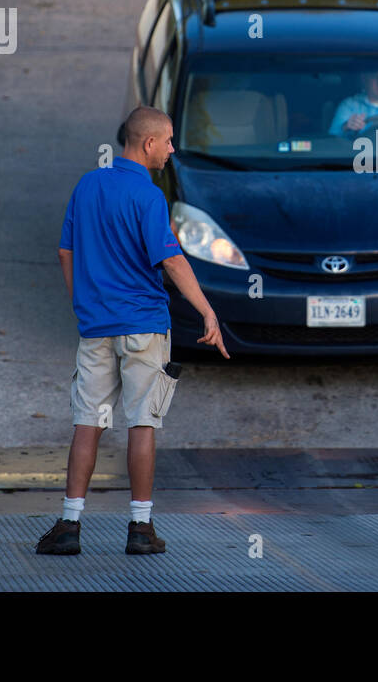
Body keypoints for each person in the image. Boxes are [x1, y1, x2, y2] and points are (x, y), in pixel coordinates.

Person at [37, 106, 229, 557]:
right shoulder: (148, 197)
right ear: (148, 144)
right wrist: (207, 312)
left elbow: (65, 251)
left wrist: (82, 303)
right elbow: (172, 260)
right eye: (167, 142)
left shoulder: (88, 185)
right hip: (144, 327)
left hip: (97, 327)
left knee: (88, 424)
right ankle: (140, 530)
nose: (171, 149)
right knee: (142, 423)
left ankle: (69, 524)